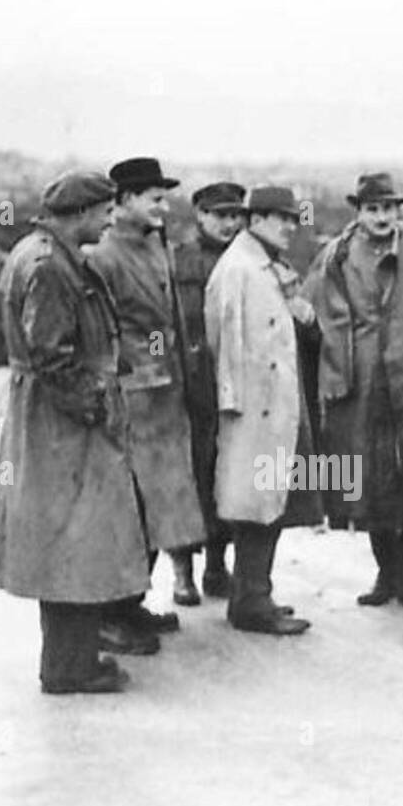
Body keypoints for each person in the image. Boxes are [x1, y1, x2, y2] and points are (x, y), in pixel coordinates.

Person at [0, 171, 144, 694]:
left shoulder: (43, 254)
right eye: (104, 211)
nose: (111, 219)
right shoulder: (51, 268)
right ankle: (69, 668)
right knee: (74, 536)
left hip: (54, 419)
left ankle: (71, 657)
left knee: (70, 538)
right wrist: (95, 406)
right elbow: (52, 356)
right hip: (62, 423)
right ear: (79, 214)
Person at [303, 172, 403, 610]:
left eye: (389, 208)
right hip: (362, 385)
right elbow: (313, 314)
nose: (382, 217)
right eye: (373, 209)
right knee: (369, 481)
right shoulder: (335, 256)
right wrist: (329, 373)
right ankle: (386, 576)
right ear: (359, 211)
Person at [84, 157, 207, 655]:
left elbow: (163, 324)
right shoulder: (103, 257)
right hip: (132, 401)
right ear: (124, 202)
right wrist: (135, 368)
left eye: (164, 196)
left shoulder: (156, 247)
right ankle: (107, 616)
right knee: (127, 511)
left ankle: (132, 603)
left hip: (165, 399)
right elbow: (101, 332)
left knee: (159, 508)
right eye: (154, 197)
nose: (164, 204)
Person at [204, 185, 322, 635]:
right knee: (255, 505)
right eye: (279, 218)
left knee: (268, 504)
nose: (290, 226)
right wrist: (232, 405)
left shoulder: (265, 267)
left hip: (273, 406)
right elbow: (224, 343)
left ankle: (255, 592)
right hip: (253, 410)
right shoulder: (239, 269)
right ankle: (251, 601)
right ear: (255, 220)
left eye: (293, 218)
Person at [170, 181, 247, 604]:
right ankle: (183, 572)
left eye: (236, 215)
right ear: (199, 215)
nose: (229, 224)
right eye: (220, 215)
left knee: (224, 476)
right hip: (188, 384)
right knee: (186, 478)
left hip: (231, 383)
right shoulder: (179, 259)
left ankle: (218, 568)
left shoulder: (247, 260)